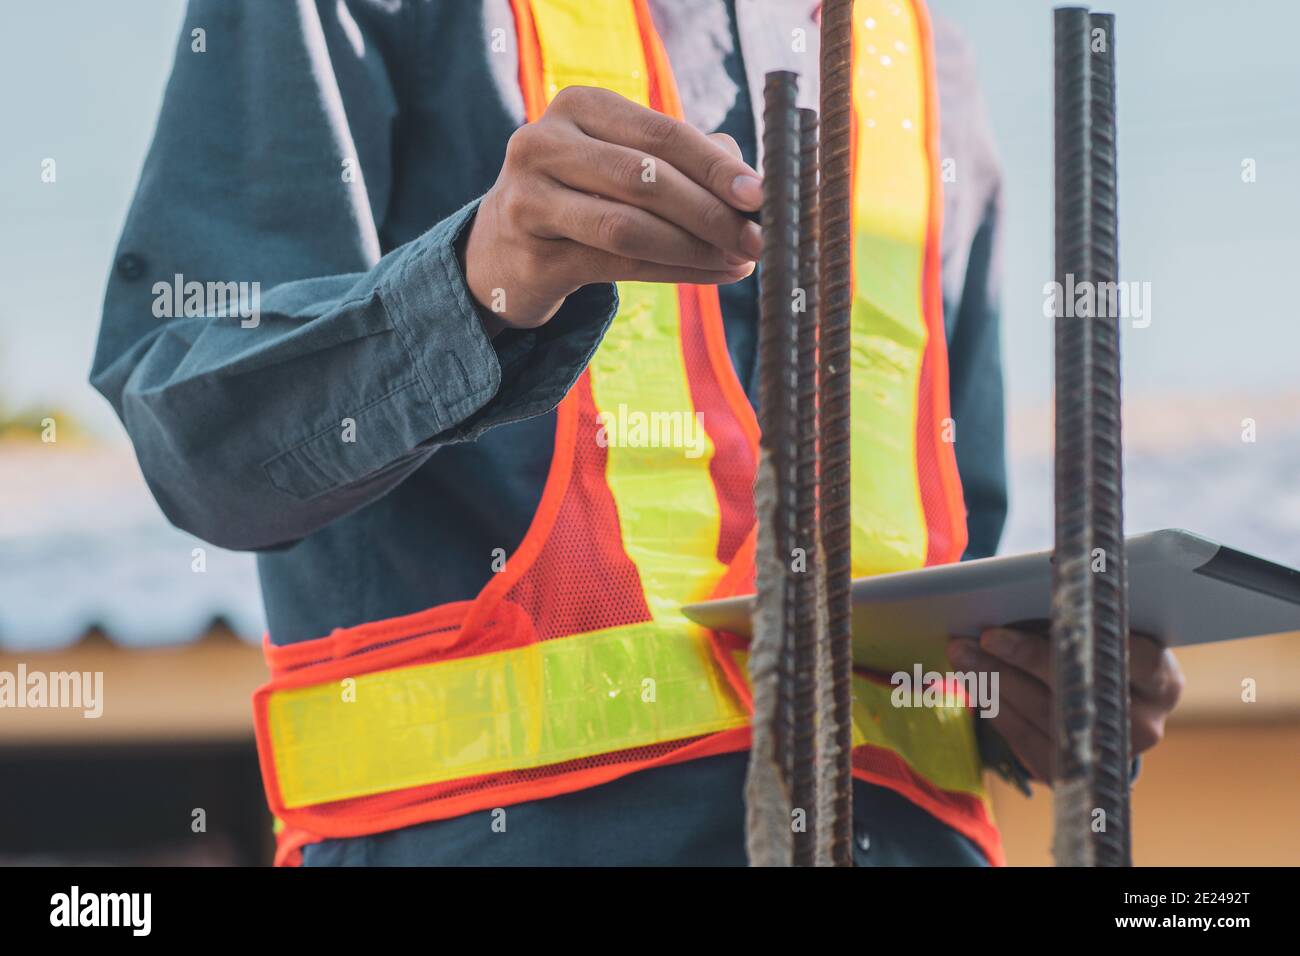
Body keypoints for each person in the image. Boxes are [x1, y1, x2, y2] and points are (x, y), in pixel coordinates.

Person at [91, 0, 1181, 866]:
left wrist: (1021, 691)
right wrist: (478, 283)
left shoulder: (920, 56)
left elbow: (947, 568)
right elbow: (203, 451)